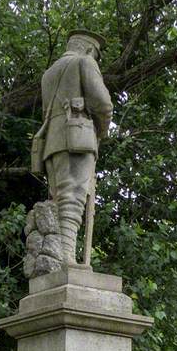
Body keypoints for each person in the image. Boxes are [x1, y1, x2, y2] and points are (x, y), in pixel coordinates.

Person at [32, 30, 113, 265]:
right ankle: (67, 257)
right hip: (78, 136)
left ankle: (59, 255)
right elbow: (104, 104)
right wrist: (100, 132)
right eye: (96, 55)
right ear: (90, 50)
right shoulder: (84, 62)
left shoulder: (50, 73)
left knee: (60, 197)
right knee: (74, 197)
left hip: (52, 142)